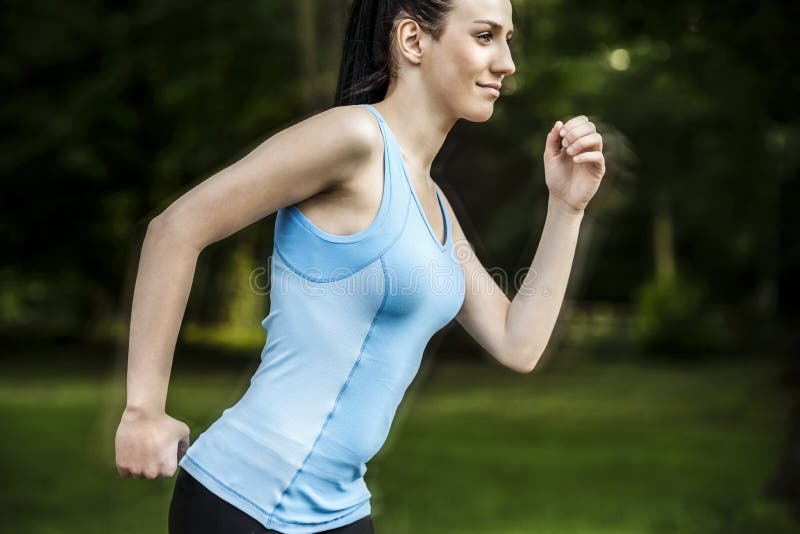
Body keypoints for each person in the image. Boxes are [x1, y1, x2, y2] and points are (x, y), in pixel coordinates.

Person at [114, 0, 606, 532]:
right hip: (243, 501)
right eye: (486, 35)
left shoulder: (433, 203)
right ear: (414, 41)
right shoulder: (352, 138)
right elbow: (175, 230)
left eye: (508, 39)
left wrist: (567, 207)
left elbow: (518, 344)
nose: (507, 61)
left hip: (341, 510)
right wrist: (143, 409)